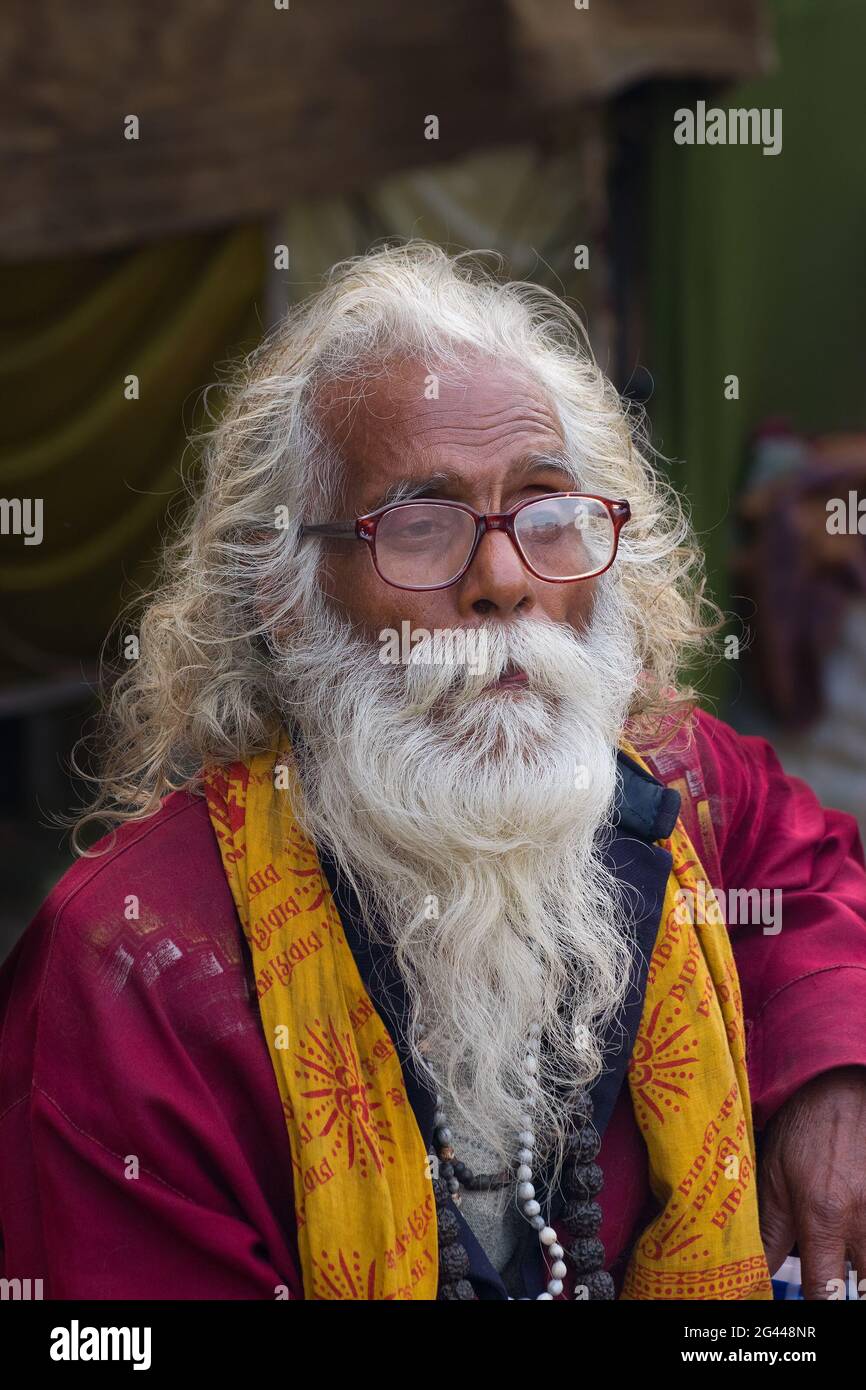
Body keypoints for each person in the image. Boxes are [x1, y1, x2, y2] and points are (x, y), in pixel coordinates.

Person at [2, 242, 866, 1301]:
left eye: (546, 512)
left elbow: (801, 865)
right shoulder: (132, 963)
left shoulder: (665, 781)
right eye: (418, 526)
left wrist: (833, 1078)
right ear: (287, 594)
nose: (502, 579)